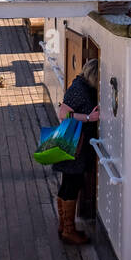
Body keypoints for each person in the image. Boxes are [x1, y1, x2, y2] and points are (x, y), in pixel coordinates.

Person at [52, 58, 100, 245]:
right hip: (74, 144)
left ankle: (64, 225)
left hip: (74, 143)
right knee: (72, 184)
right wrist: (90, 117)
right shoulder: (79, 90)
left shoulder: (81, 85)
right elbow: (63, 114)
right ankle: (68, 231)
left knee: (68, 184)